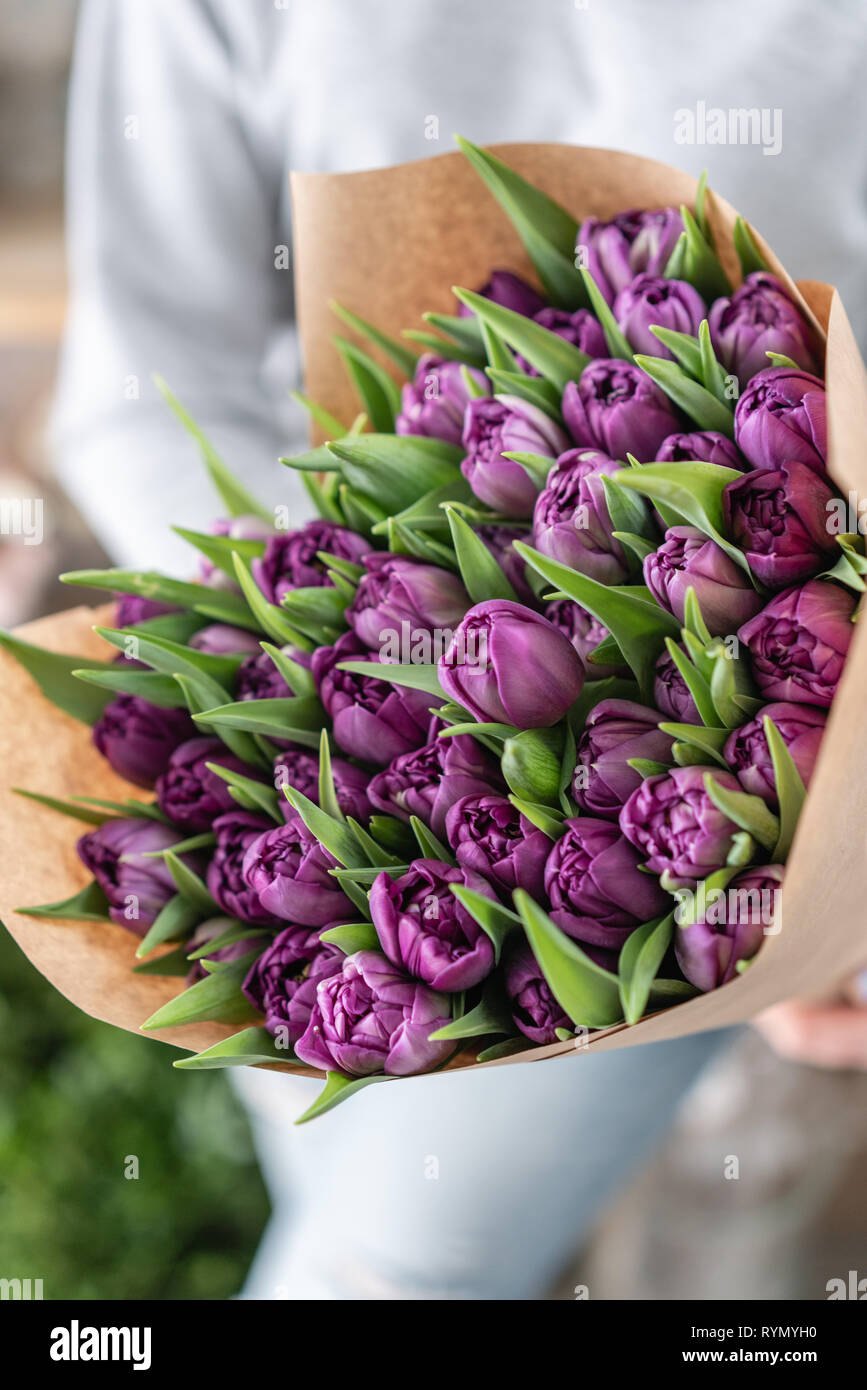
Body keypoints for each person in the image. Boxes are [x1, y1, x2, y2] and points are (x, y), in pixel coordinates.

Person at [52, 0, 867, 1299]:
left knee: (412, 1268)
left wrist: (838, 876)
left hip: (789, 757)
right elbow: (143, 379)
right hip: (333, 749)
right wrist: (325, 602)